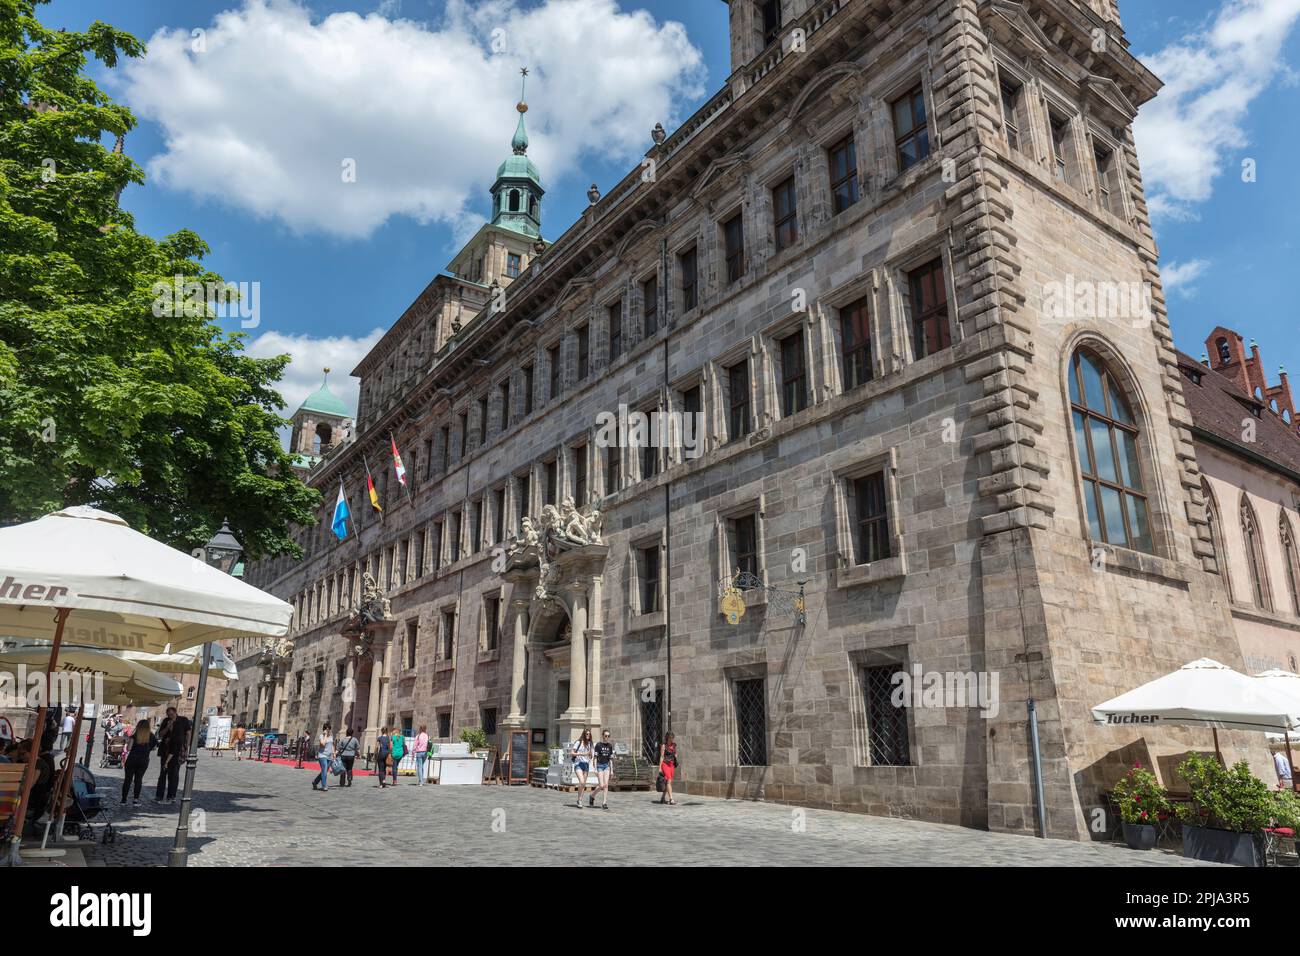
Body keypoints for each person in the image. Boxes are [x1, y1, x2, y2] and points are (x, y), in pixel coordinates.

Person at [154, 707, 188, 803]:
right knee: (162, 774)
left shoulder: (183, 720)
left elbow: (188, 733)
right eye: (168, 715)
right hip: (165, 750)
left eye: (171, 715)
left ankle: (171, 796)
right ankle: (159, 796)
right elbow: (160, 735)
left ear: (175, 713)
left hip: (177, 751)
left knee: (174, 775)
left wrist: (186, 747)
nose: (170, 716)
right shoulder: (166, 721)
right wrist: (168, 727)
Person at [121, 719, 157, 807]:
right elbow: (153, 748)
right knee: (138, 780)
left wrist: (128, 742)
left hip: (132, 759)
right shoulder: (152, 736)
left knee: (127, 780)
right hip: (143, 760)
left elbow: (129, 748)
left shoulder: (134, 736)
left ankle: (123, 800)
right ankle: (135, 800)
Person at [570, 729, 594, 809]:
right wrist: (581, 754)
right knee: (582, 781)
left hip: (586, 765)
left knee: (583, 784)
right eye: (587, 734)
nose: (588, 735)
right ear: (584, 734)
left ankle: (579, 800)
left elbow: (590, 754)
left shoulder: (590, 743)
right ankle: (579, 800)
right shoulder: (578, 742)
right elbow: (572, 753)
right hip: (578, 764)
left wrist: (591, 756)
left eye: (589, 734)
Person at [592, 729, 614, 810]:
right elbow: (595, 757)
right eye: (605, 736)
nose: (607, 737)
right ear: (603, 736)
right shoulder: (598, 745)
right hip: (600, 765)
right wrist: (594, 768)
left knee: (606, 785)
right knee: (601, 785)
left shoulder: (610, 746)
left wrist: (612, 770)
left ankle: (604, 803)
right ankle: (592, 795)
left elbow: (611, 759)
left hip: (607, 766)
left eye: (608, 736)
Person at [657, 732, 679, 806]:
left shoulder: (674, 745)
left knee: (668, 782)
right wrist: (660, 767)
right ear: (667, 738)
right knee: (669, 780)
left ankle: (663, 798)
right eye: (670, 737)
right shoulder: (664, 745)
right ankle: (671, 799)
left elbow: (675, 753)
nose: (671, 739)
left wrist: (675, 755)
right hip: (665, 764)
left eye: (672, 737)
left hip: (671, 765)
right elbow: (662, 756)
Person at [312, 722, 334, 792]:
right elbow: (323, 744)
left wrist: (333, 753)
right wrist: (325, 735)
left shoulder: (331, 736)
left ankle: (315, 782)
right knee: (324, 770)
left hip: (329, 756)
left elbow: (332, 745)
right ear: (324, 730)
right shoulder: (321, 736)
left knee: (323, 771)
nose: (328, 731)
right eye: (327, 729)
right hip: (322, 756)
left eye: (329, 729)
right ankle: (324, 786)